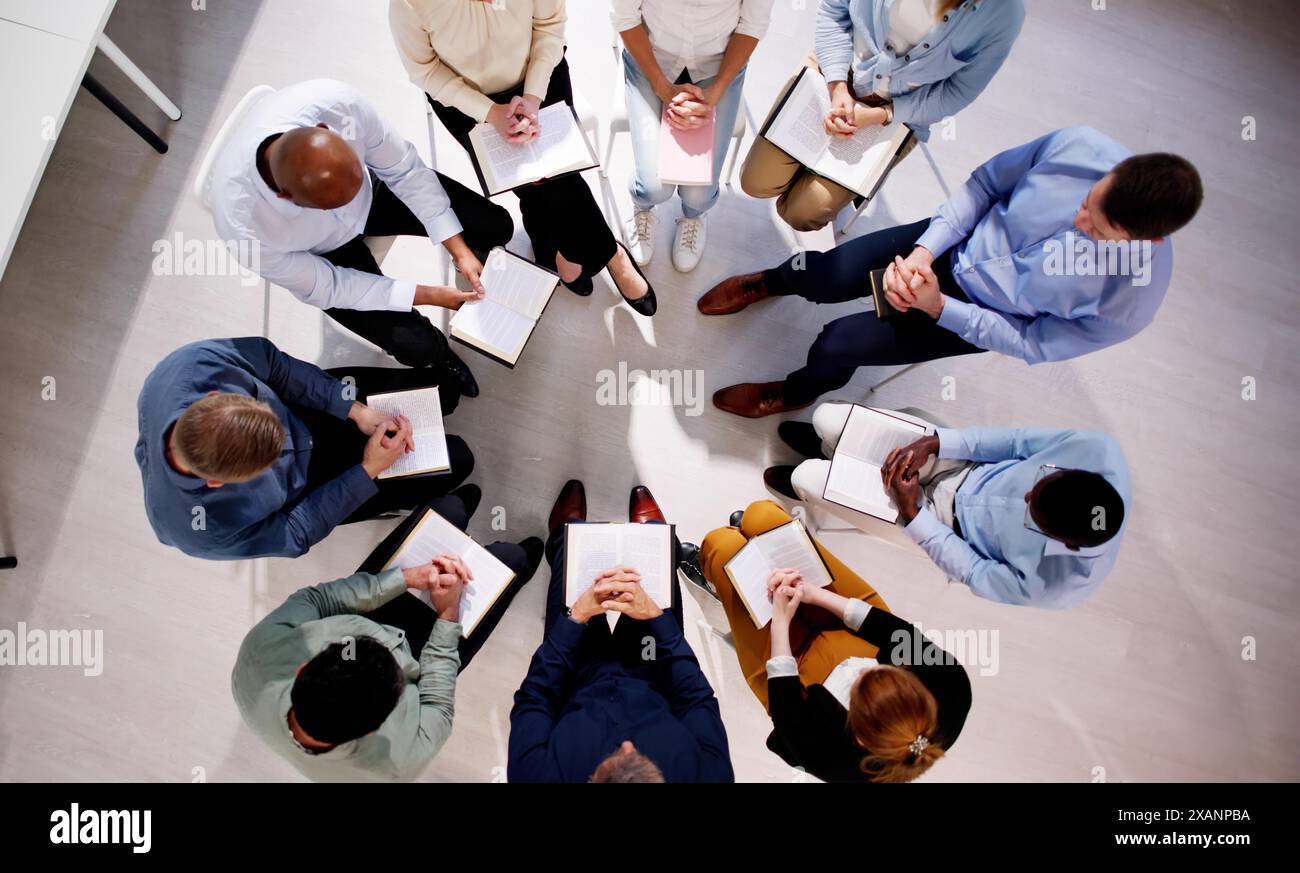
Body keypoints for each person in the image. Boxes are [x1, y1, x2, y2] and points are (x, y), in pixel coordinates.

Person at [704, 127, 1205, 417]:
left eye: (1099, 230)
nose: (1080, 222)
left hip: (973, 313)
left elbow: (1033, 343)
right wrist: (925, 252)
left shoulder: (1129, 304)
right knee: (825, 274)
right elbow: (985, 186)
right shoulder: (1077, 147)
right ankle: (771, 281)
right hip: (950, 240)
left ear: (1149, 241)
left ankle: (796, 391)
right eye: (1087, 204)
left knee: (837, 344)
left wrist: (939, 307)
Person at [208, 77, 511, 400]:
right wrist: (427, 294)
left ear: (327, 129)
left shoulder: (338, 104)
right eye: (331, 205)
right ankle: (440, 357)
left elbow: (404, 170)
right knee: (417, 346)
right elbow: (330, 286)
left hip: (374, 191)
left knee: (496, 225)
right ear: (286, 197)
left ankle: (470, 256)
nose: (345, 210)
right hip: (320, 253)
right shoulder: (243, 227)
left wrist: (459, 248)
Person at [231, 489, 545, 782]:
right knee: (511, 561)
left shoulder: (258, 657)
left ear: (302, 669)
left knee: (449, 509)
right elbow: (436, 700)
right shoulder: (399, 765)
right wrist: (448, 615)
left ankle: (459, 508)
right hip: (426, 656)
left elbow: (319, 600)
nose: (388, 639)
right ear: (371, 731)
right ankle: (521, 562)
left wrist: (405, 578)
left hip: (366, 606)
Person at [391, 0, 658, 315]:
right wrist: (490, 112)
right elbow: (425, 70)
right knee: (527, 178)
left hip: (539, 71)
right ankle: (604, 251)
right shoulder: (408, 5)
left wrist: (532, 98)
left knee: (558, 172)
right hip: (465, 99)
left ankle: (574, 251)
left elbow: (549, 26)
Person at [697, 499, 971, 782]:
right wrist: (814, 594)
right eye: (881, 671)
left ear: (860, 738)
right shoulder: (952, 686)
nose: (863, 669)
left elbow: (786, 710)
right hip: (861, 633)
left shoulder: (838, 764)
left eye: (859, 687)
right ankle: (749, 542)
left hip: (796, 682)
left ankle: (715, 572)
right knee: (762, 517)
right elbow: (896, 633)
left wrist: (780, 622)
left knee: (721, 547)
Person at [134, 337, 474, 560]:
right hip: (314, 486)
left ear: (216, 396)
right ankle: (390, 498)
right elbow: (293, 532)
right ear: (216, 483)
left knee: (444, 392)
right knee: (458, 460)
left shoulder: (193, 366)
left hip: (308, 407)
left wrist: (354, 409)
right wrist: (367, 470)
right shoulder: (203, 531)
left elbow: (277, 369)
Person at [766, 408, 1130, 609]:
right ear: (1078, 472)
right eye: (1039, 483)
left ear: (1063, 542)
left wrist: (914, 515)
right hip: (961, 463)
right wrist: (939, 442)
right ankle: (828, 447)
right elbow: (1015, 442)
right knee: (825, 418)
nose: (1025, 496)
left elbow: (974, 571)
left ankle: (811, 477)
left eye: (1031, 514)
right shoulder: (1098, 452)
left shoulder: (1057, 587)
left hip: (941, 526)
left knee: (809, 477)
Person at [507, 480, 733, 782]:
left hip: (575, 679)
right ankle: (652, 537)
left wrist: (577, 617)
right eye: (638, 754)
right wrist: (656, 616)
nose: (626, 743)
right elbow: (695, 699)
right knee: (652, 568)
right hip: (655, 673)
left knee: (574, 562)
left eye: (615, 756)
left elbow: (535, 698)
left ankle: (563, 538)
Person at [741, 0, 1024, 231]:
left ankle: (829, 186)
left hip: (899, 112)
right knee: (756, 182)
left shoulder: (1005, 14)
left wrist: (882, 114)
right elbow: (833, 10)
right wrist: (838, 86)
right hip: (837, 70)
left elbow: (957, 91)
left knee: (802, 213)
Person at [613, 0, 773, 271]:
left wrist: (716, 91)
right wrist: (662, 87)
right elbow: (624, 17)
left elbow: (753, 24)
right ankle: (642, 205)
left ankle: (693, 217)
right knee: (654, 187)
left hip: (718, 67)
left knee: (698, 194)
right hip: (651, 59)